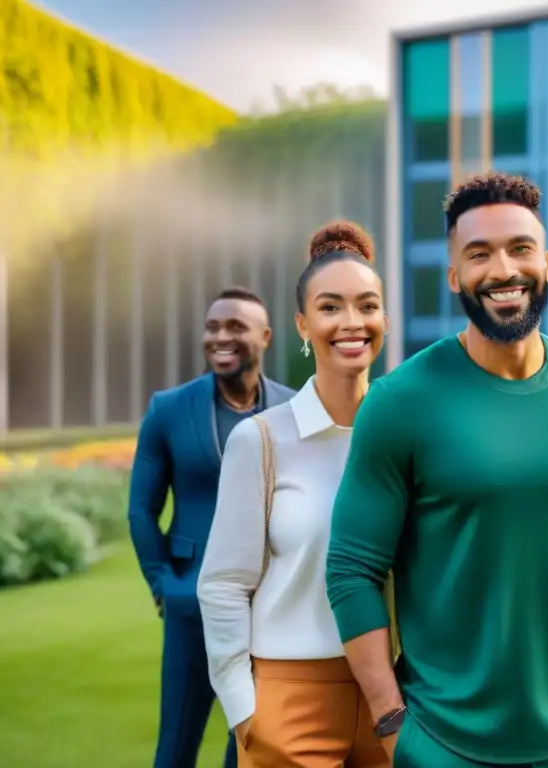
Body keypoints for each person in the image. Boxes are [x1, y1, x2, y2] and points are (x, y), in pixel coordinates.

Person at [326, 172, 548, 767]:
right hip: (443, 746)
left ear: (547, 263)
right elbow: (351, 570)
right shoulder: (400, 402)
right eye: (479, 254)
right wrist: (393, 723)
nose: (503, 270)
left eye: (520, 248)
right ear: (454, 276)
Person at [198, 221, 391, 768]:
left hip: (395, 700)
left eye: (367, 306)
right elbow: (222, 585)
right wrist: (246, 712)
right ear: (302, 325)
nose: (351, 323)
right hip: (290, 699)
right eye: (330, 308)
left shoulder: (406, 437)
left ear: (385, 319)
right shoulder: (260, 439)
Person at [129, 286, 295, 768]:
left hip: (270, 607)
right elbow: (141, 510)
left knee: (251, 745)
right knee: (176, 746)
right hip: (190, 602)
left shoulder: (292, 410)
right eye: (213, 327)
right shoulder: (168, 409)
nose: (221, 336)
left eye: (236, 327)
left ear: (264, 337)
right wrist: (163, 584)